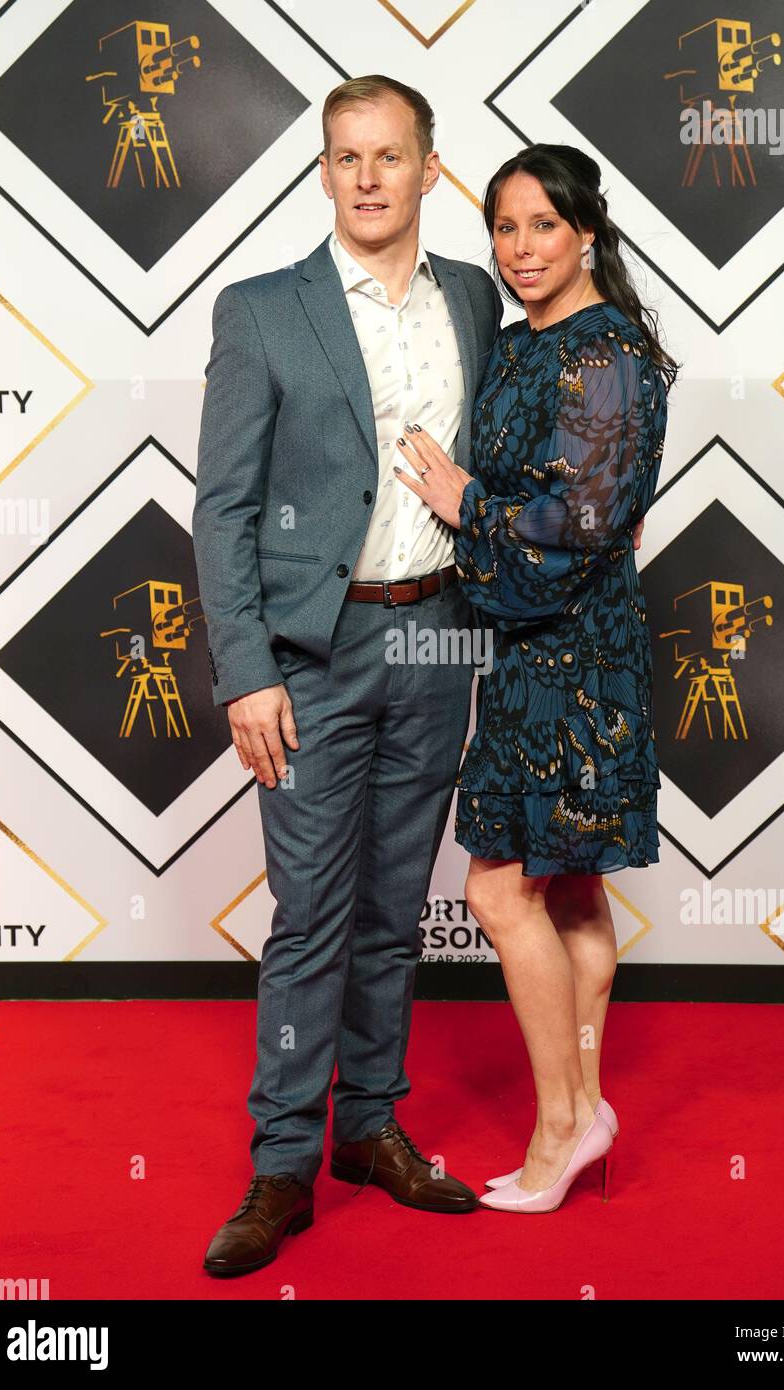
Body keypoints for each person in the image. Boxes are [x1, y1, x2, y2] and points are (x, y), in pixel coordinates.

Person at [192, 75, 503, 1276]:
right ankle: (280, 1163)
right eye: (345, 157)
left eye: (389, 157)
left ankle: (368, 1128)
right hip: (311, 657)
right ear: (323, 172)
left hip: (437, 641)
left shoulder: (475, 299)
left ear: (431, 171)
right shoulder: (261, 310)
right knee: (310, 914)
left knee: (392, 909)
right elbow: (222, 507)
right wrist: (246, 674)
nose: (367, 178)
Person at [394, 143, 677, 1214]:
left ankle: (563, 1124)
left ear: (586, 232)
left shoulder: (603, 356)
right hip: (529, 649)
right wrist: (498, 515)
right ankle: (584, 1109)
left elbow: (579, 529)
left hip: (575, 661)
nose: (519, 250)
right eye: (503, 229)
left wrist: (468, 503)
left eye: (541, 227)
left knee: (498, 887)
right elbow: (578, 518)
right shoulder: (520, 349)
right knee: (567, 888)